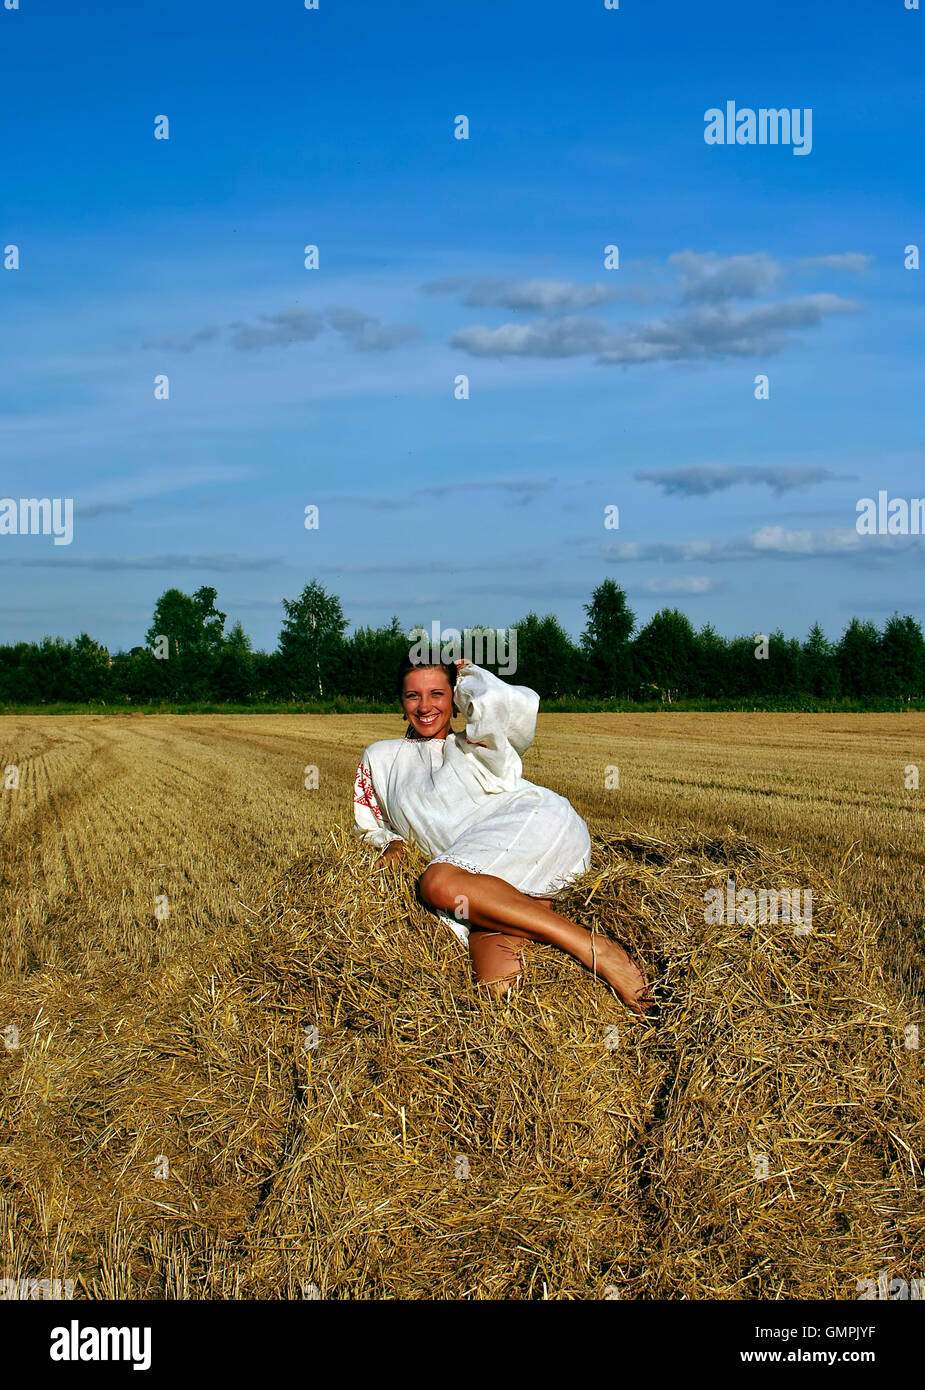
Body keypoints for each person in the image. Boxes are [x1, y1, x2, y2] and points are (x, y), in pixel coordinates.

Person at [352, 656, 653, 1014]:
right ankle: (538, 908)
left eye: (437, 693)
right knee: (498, 987)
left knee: (436, 883)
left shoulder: (478, 744)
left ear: (454, 698)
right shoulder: (381, 757)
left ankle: (597, 949)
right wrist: (390, 842)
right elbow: (368, 824)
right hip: (482, 881)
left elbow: (506, 706)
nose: (425, 706)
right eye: (412, 696)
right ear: (400, 702)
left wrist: (468, 677)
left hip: (534, 824)